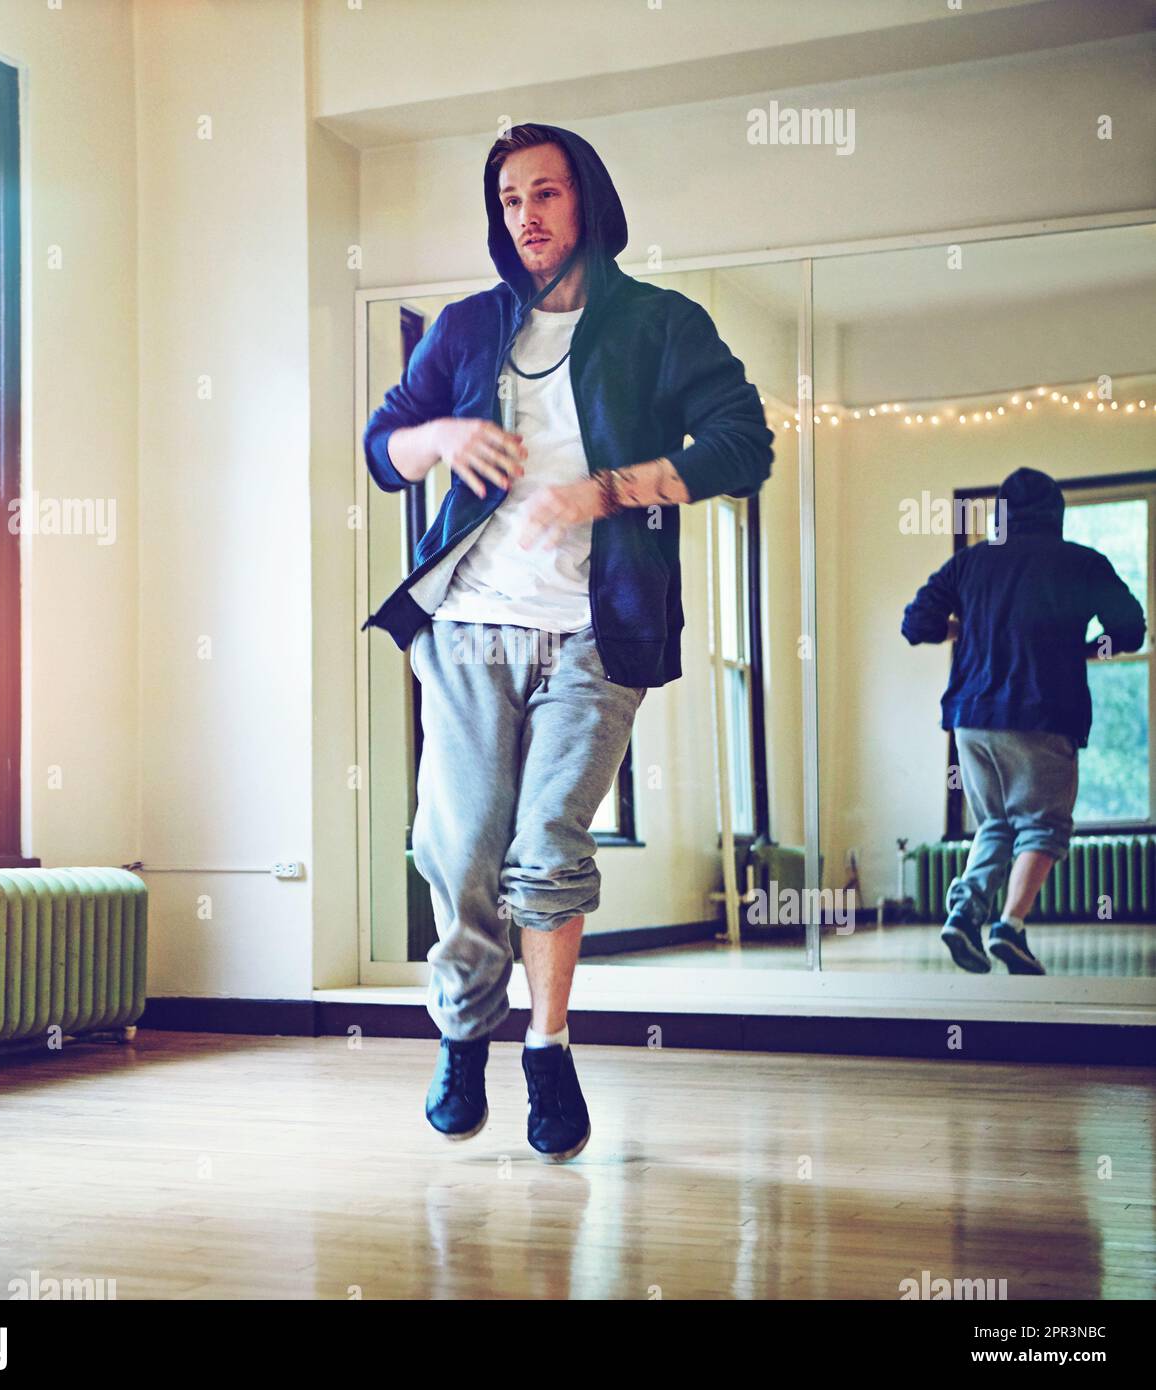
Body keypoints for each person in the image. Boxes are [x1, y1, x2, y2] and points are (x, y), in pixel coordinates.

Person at [361, 122, 773, 1160]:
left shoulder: (659, 325)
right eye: (508, 199)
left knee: (546, 845)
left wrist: (608, 490)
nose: (527, 216)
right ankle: (463, 1032)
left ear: (584, 199)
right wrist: (444, 438)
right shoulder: (463, 328)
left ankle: (546, 1043)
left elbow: (741, 442)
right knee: (454, 851)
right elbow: (385, 447)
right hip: (464, 631)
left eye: (545, 193)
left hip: (598, 633)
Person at [902, 467, 1146, 975]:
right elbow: (1129, 631)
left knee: (996, 824)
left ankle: (965, 911)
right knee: (1043, 825)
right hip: (1043, 710)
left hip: (972, 716)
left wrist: (967, 633)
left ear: (1000, 513)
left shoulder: (968, 563)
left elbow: (916, 624)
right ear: (1056, 513)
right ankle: (1009, 928)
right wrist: (1084, 649)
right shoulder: (1081, 562)